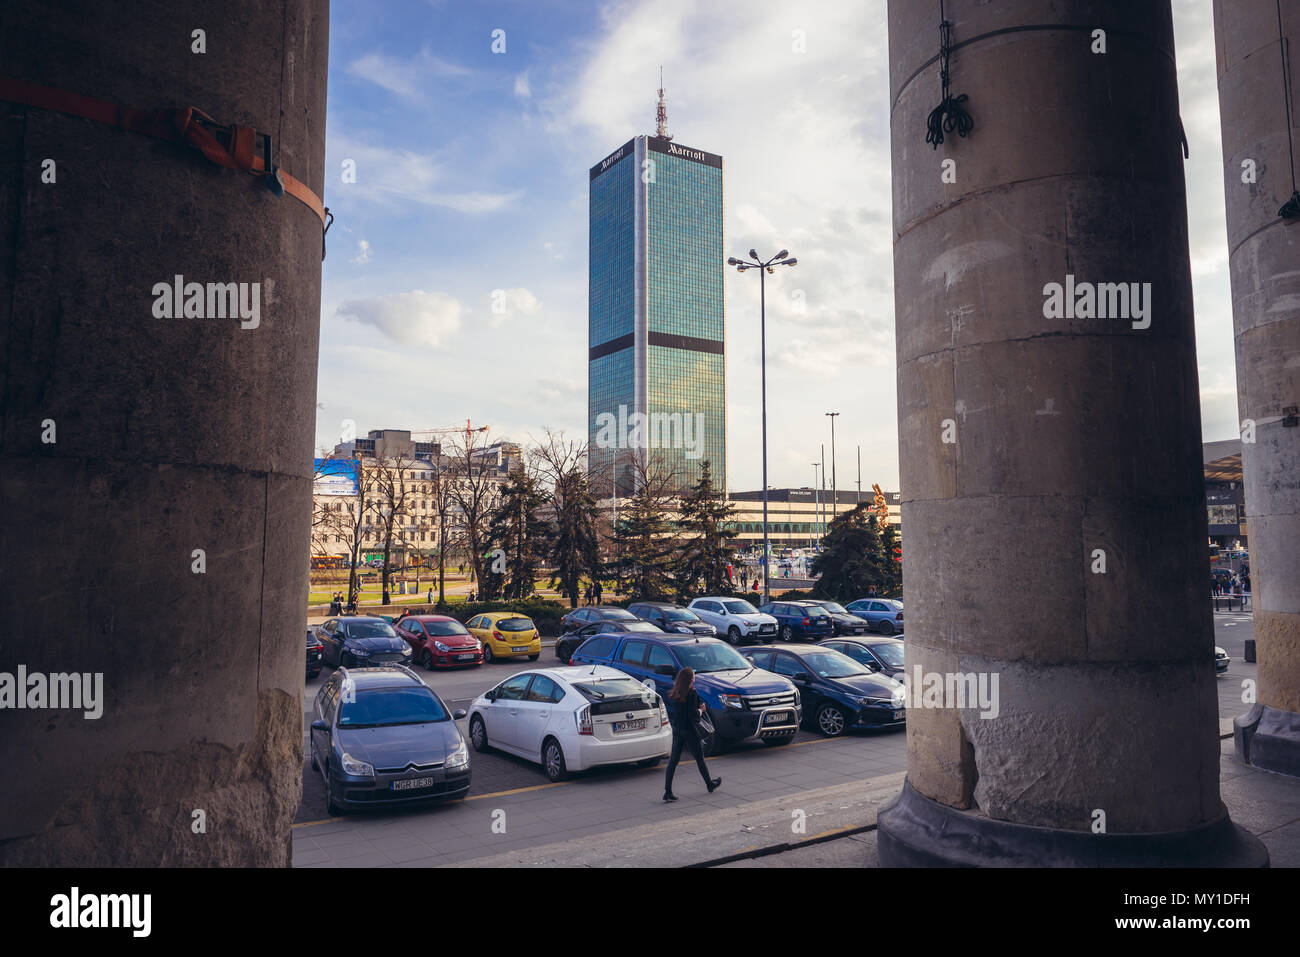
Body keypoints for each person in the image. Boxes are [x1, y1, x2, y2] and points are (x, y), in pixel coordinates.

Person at [662, 667, 720, 801]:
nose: (694, 679)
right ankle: (710, 784)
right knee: (699, 758)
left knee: (673, 761)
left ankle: (668, 791)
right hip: (690, 730)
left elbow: (681, 713)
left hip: (678, 729)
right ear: (689, 679)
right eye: (693, 676)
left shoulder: (676, 692)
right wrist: (701, 710)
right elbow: (693, 715)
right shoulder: (692, 693)